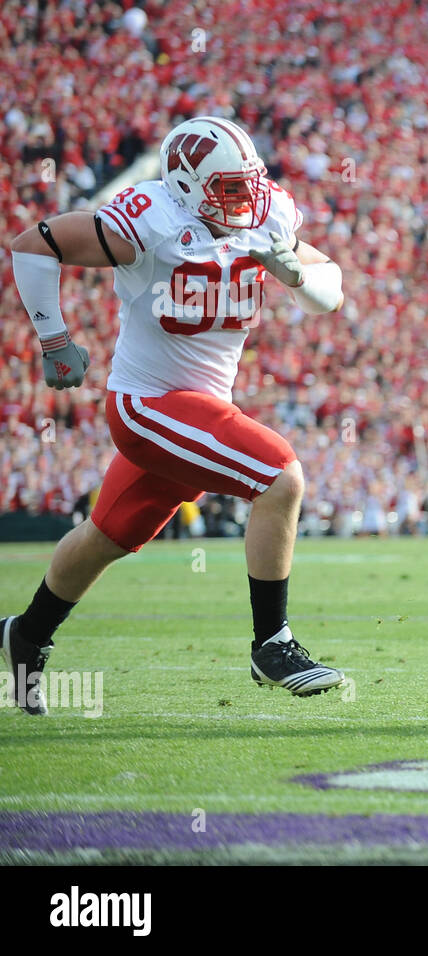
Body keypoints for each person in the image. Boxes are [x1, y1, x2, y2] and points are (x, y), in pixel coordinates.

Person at [4, 117, 347, 715]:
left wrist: (293, 272)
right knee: (280, 477)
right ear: (186, 185)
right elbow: (36, 245)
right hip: (147, 405)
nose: (246, 199)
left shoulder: (267, 213)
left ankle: (25, 634)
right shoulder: (151, 220)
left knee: (105, 538)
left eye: (248, 184)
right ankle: (272, 643)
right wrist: (55, 340)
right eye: (228, 187)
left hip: (202, 409)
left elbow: (331, 290)